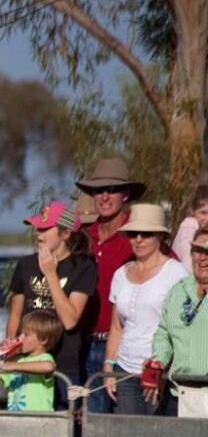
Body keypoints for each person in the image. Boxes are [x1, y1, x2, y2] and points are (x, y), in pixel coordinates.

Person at [0, 200, 96, 410]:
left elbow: (70, 321)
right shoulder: (25, 264)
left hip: (63, 365)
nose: (38, 234)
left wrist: (51, 274)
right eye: (37, 228)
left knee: (63, 434)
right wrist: (11, 349)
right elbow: (15, 314)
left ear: (66, 233)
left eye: (45, 229)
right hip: (27, 361)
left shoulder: (83, 267)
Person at [149, 234, 208, 437]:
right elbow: (163, 332)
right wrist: (160, 356)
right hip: (183, 393)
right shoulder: (180, 290)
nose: (203, 257)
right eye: (199, 250)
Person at [75, 155, 145, 414]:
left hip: (120, 348)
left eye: (112, 190)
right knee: (78, 424)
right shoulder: (83, 236)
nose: (104, 196)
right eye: (98, 190)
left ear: (125, 194)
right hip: (80, 345)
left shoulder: (139, 234)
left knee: (111, 430)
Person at [101, 201, 184, 417]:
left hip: (160, 373)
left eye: (146, 234)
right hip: (125, 370)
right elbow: (116, 327)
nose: (138, 239)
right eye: (133, 233)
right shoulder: (120, 274)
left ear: (160, 236)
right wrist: (109, 367)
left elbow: (181, 329)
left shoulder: (176, 274)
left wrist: (165, 369)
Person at [0, 307, 63, 413]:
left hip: (39, 420)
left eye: (26, 335)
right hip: (15, 419)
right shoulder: (17, 360)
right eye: (20, 333)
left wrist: (15, 366)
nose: (20, 338)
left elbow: (49, 366)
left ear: (43, 339)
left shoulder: (44, 358)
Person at [173, 182, 208, 258]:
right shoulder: (190, 225)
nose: (207, 218)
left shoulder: (202, 230)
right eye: (203, 213)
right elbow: (188, 260)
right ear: (192, 211)